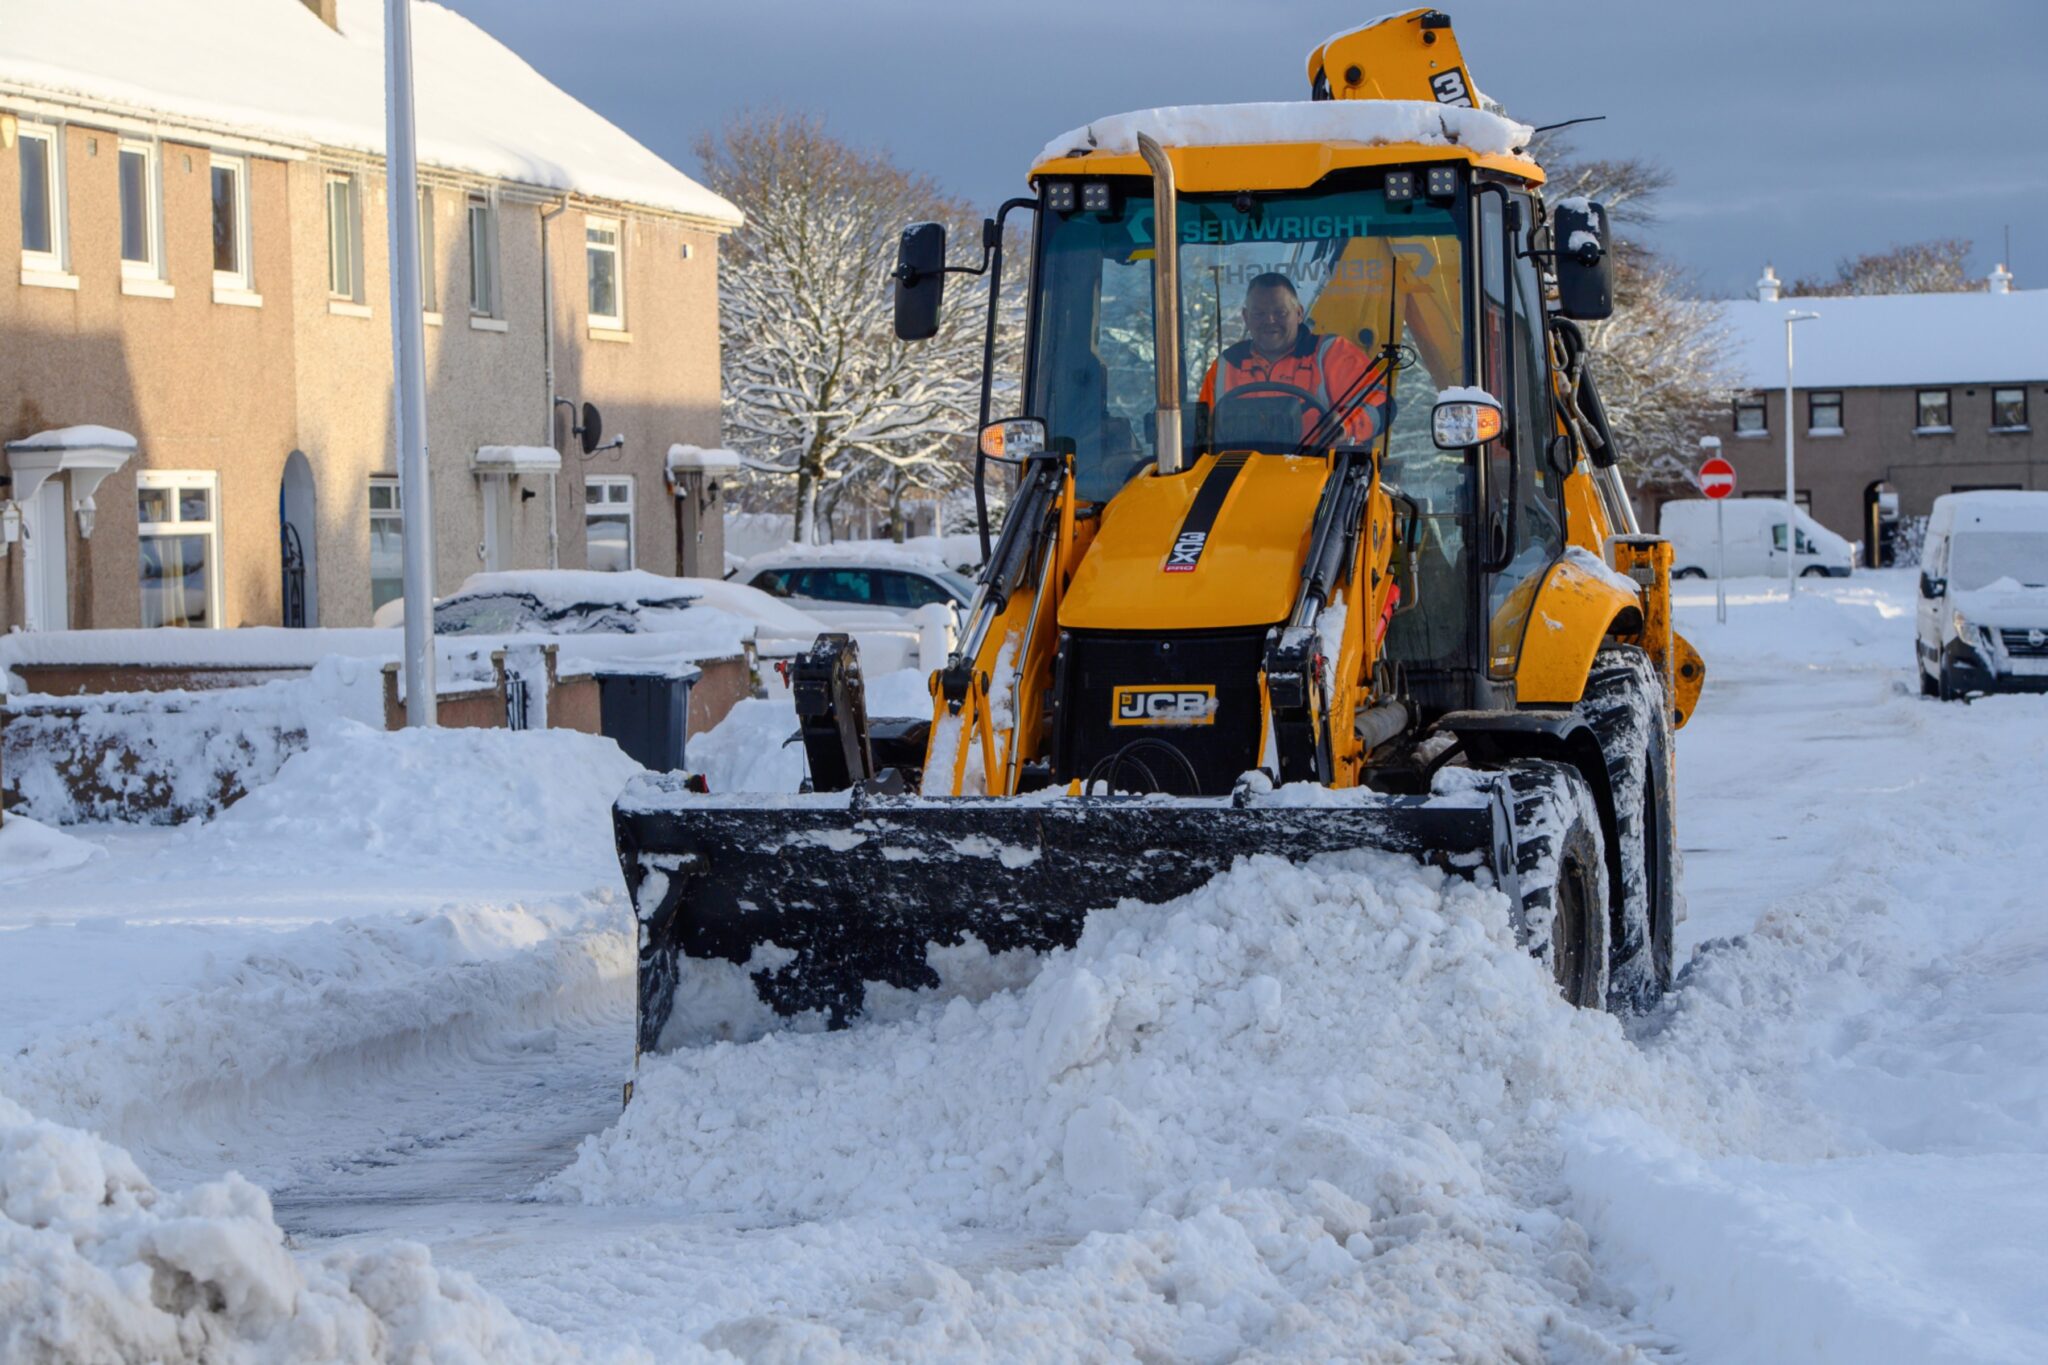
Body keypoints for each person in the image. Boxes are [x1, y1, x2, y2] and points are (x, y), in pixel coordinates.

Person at [1197, 272, 1387, 447]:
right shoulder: (1226, 365)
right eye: (1259, 314)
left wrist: (1346, 425)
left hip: (1319, 468)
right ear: (1246, 317)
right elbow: (1200, 431)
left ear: (1299, 313)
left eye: (1280, 313)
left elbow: (1380, 402)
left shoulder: (1331, 353)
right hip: (1241, 470)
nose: (1270, 320)